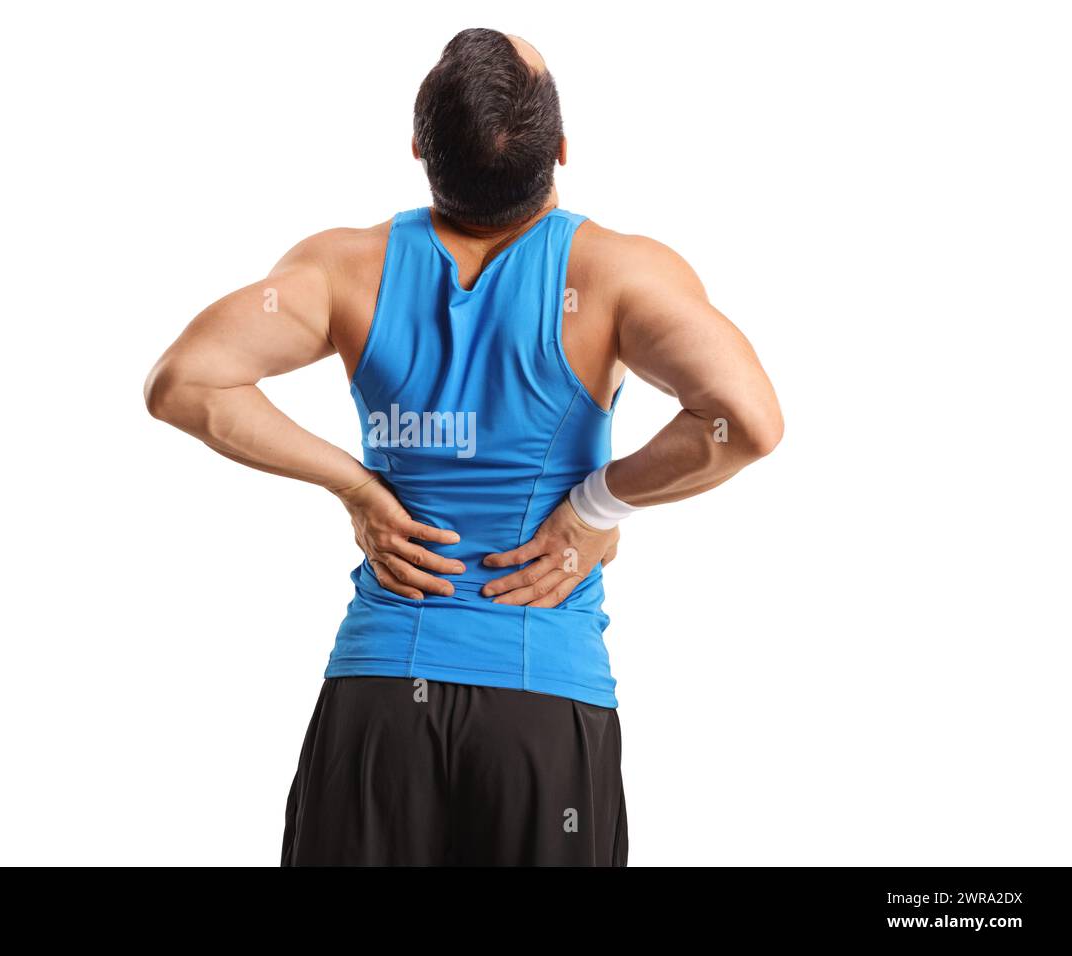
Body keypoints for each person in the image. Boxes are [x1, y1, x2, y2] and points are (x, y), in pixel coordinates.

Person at [145, 28, 783, 866]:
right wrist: (596, 506)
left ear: (418, 149)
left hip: (379, 704)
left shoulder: (347, 268)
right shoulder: (619, 274)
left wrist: (358, 487)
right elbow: (744, 421)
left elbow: (182, 384)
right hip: (540, 708)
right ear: (561, 150)